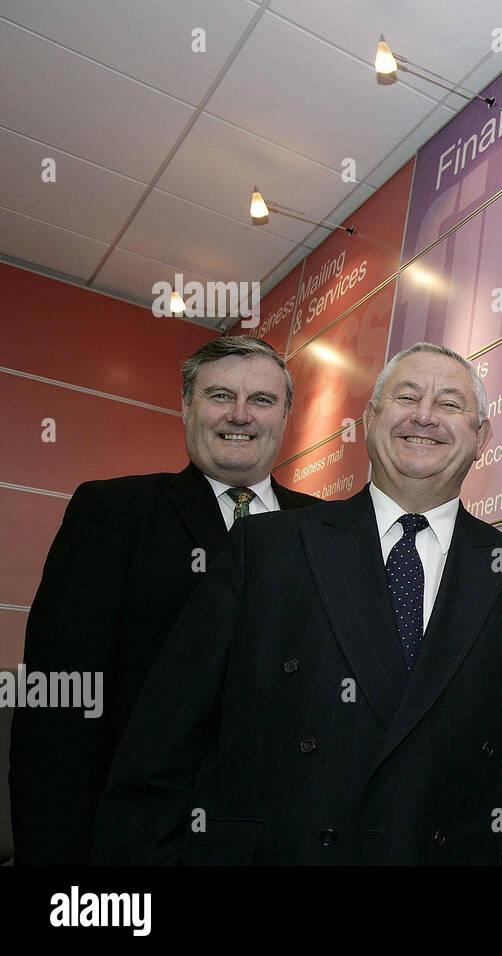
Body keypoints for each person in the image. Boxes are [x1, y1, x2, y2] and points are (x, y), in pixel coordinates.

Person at [93, 343, 502, 865]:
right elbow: (160, 753)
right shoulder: (264, 549)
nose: (424, 416)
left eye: (449, 404)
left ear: (481, 437)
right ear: (369, 418)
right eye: (406, 396)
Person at [9, 335, 319, 866]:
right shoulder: (114, 512)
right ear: (185, 405)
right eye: (220, 395)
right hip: (150, 844)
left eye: (262, 400)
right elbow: (59, 707)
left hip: (295, 836)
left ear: (285, 415)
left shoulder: (332, 532)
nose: (240, 415)